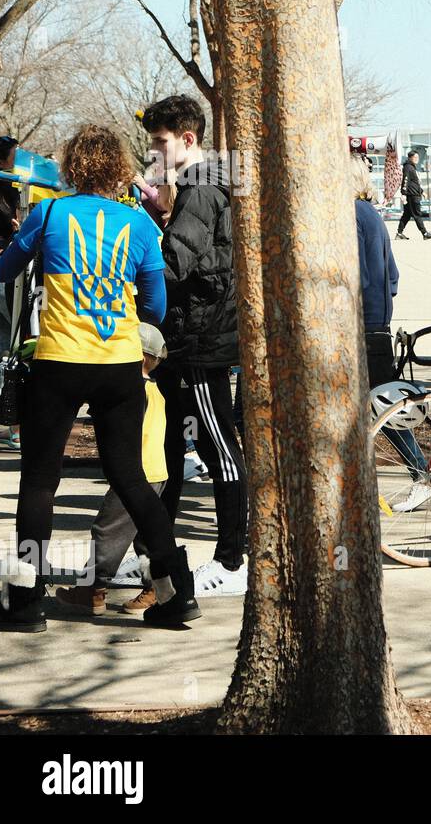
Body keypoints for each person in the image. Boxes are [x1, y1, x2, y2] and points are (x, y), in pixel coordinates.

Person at [0, 124, 200, 631]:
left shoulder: (49, 212)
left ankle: (25, 601)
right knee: (130, 477)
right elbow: (154, 305)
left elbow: (4, 273)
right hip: (119, 364)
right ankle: (175, 591)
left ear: (72, 167)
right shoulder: (138, 226)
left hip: (59, 361)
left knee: (40, 480)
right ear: (115, 168)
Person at [142, 95, 249, 598]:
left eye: (161, 143)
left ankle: (231, 559)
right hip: (197, 329)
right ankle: (154, 556)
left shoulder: (201, 188)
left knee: (218, 444)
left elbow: (175, 265)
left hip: (203, 335)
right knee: (181, 440)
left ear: (188, 139)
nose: (155, 154)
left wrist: (134, 269)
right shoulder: (200, 185)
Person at [54, 324, 171, 616]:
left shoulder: (133, 394)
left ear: (140, 356)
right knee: (145, 536)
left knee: (108, 530)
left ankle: (92, 589)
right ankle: (155, 588)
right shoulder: (156, 390)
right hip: (158, 472)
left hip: (136, 474)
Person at [354, 156, 400, 389]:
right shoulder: (371, 213)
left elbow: (358, 274)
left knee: (380, 400)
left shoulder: (352, 213)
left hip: (363, 317)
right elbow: (393, 275)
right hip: (380, 315)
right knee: (383, 396)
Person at [0, 135, 21, 450]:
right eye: (13, 154)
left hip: (4, 265)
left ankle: (10, 423)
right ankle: (12, 425)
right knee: (9, 341)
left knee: (5, 344)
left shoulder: (10, 189)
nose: (17, 158)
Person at [396, 150, 431, 240]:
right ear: (410, 158)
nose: (417, 159)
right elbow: (405, 180)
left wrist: (422, 192)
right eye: (415, 157)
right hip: (412, 196)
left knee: (406, 215)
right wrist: (403, 194)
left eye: (417, 157)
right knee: (417, 214)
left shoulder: (412, 167)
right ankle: (425, 233)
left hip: (414, 194)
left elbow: (414, 183)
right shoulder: (408, 167)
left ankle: (399, 233)